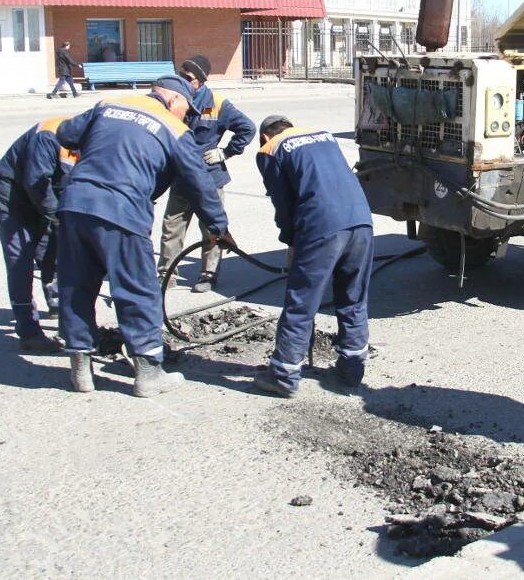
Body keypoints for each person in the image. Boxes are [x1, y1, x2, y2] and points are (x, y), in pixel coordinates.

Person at [55, 75, 235, 397]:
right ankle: (148, 373)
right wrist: (218, 228)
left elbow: (66, 133)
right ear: (173, 99)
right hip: (122, 213)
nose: (188, 117)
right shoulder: (174, 128)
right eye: (187, 109)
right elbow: (200, 184)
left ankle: (80, 371)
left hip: (75, 205)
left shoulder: (109, 104)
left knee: (76, 286)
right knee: (137, 289)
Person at [253, 115, 374, 398]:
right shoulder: (323, 134)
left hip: (322, 225)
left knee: (301, 301)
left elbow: (283, 203)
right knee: (353, 297)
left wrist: (290, 239)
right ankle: (351, 369)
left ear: (264, 137)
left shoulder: (271, 149)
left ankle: (282, 374)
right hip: (361, 221)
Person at [157, 55, 256, 293]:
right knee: (172, 227)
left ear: (200, 82)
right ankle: (166, 274)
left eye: (187, 77)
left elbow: (248, 128)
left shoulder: (217, 103)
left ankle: (208, 274)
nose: (182, 79)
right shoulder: (173, 99)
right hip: (181, 176)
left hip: (209, 177)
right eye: (181, 74)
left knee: (211, 228)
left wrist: (226, 153)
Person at [0, 116, 78, 353]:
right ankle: (28, 330)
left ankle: (59, 307)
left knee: (52, 250)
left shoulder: (93, 139)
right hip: (12, 196)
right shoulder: (48, 136)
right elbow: (36, 184)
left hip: (47, 193)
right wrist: (59, 219)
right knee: (20, 259)